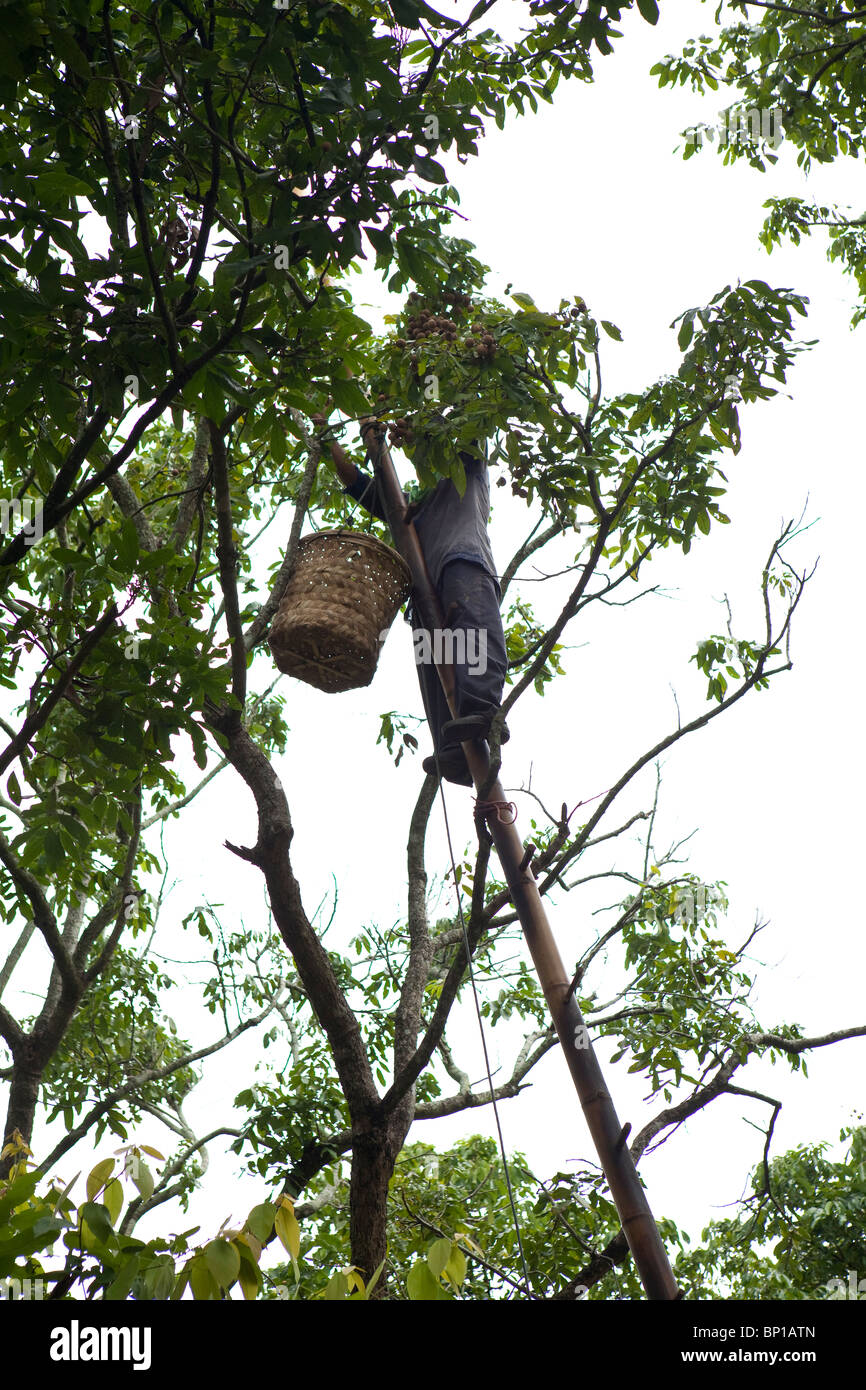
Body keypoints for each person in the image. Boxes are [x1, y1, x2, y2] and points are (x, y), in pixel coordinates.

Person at [316, 418, 508, 786]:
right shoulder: (409, 509)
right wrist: (328, 436)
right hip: (425, 597)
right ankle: (453, 748)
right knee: (435, 670)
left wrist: (417, 429)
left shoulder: (467, 467)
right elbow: (359, 484)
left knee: (475, 634)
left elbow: (471, 429)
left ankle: (483, 714)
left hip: (461, 563)